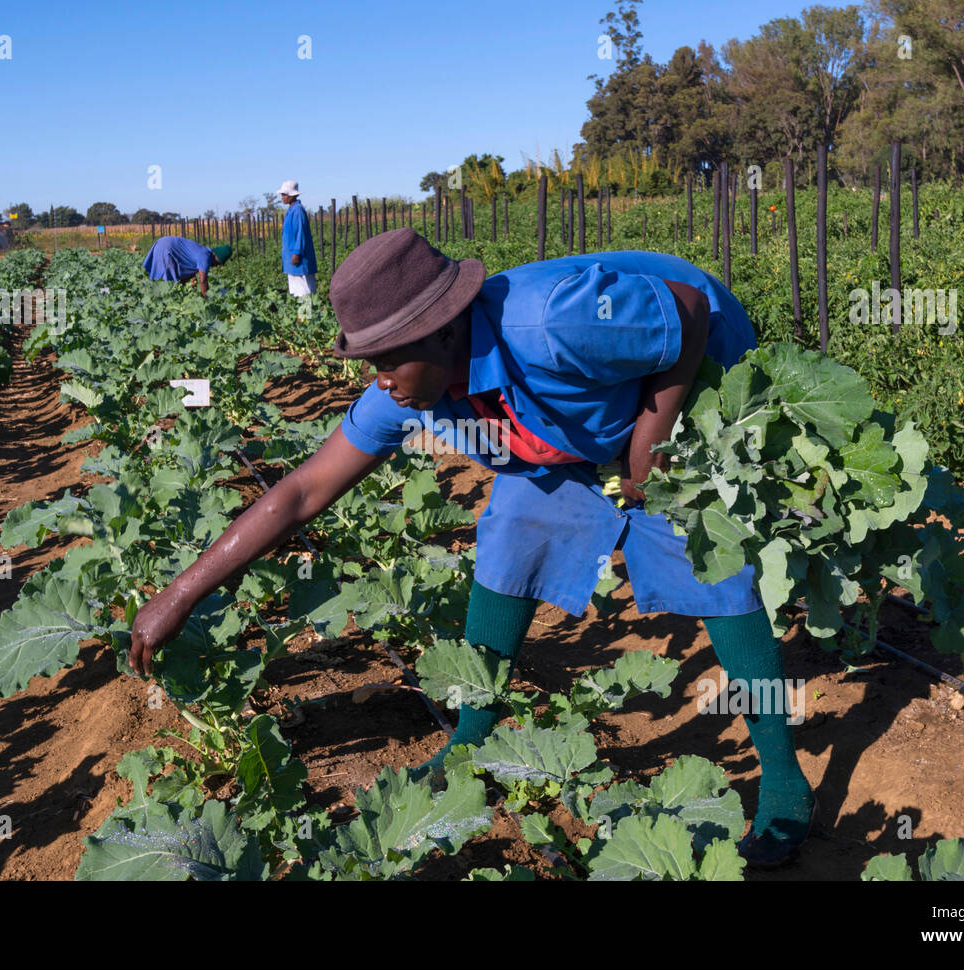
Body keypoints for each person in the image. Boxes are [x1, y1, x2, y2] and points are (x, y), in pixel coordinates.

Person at [129, 228, 817, 868]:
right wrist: (183, 591)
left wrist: (650, 445)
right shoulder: (408, 387)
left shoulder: (552, 322)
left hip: (688, 359)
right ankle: (475, 733)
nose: (378, 378)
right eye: (368, 360)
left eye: (386, 358)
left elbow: (688, 307)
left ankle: (784, 783)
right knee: (513, 530)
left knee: (707, 559)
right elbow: (303, 492)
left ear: (444, 329)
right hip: (562, 414)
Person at [142, 235, 231, 297]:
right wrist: (207, 299)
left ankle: (150, 295)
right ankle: (157, 301)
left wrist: (191, 278)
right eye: (217, 263)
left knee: (162, 280)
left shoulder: (203, 251)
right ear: (216, 255)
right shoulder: (206, 256)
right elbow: (203, 281)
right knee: (166, 285)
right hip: (167, 248)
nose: (215, 266)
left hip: (162, 243)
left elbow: (187, 262)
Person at [279, 180, 317, 302]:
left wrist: (297, 253)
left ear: (292, 195)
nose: (282, 197)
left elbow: (301, 234)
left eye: (285, 194)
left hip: (298, 258)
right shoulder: (291, 210)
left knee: (304, 290)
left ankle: (307, 316)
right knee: (296, 289)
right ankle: (301, 316)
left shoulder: (298, 210)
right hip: (291, 257)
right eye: (282, 194)